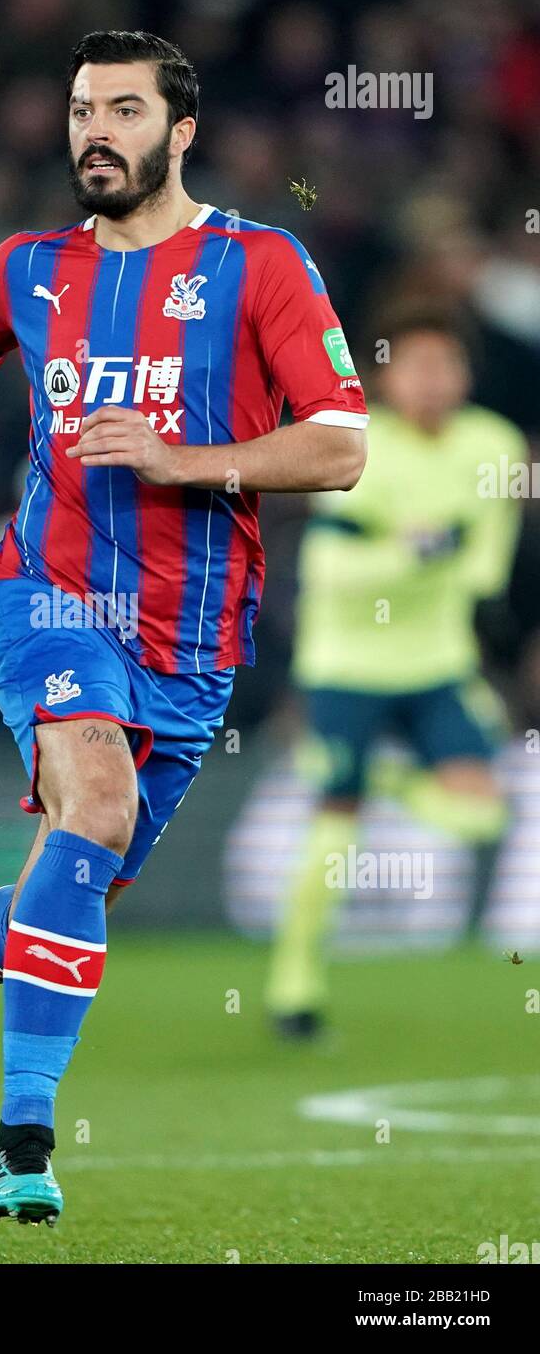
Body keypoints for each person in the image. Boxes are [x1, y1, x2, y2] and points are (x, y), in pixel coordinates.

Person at [0, 29, 367, 1226]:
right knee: (93, 807)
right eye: (84, 109)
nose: (97, 131)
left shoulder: (263, 265)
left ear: (181, 130)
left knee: (74, 886)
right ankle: (22, 1142)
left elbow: (341, 445)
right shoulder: (27, 270)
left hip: (193, 642)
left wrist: (184, 459)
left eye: (127, 111)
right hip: (48, 594)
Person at [266, 305, 524, 1039]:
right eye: (417, 366)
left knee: (484, 810)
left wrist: (413, 553)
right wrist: (417, 553)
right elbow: (328, 569)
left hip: (438, 661)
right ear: (386, 375)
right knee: (333, 830)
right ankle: (295, 988)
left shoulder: (492, 444)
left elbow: (482, 571)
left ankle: (388, 779)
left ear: (465, 374)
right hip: (346, 664)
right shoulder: (354, 444)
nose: (433, 381)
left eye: (446, 366)